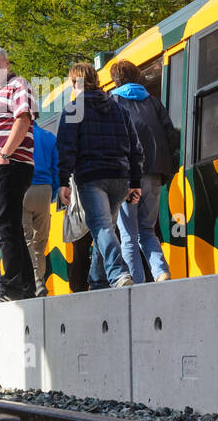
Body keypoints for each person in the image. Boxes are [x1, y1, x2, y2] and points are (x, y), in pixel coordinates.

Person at [56, 62, 143, 290]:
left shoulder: (74, 109)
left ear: (76, 83)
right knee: (103, 231)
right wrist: (135, 182)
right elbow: (136, 148)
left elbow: (66, 148)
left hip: (92, 177)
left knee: (102, 227)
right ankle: (97, 281)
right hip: (120, 179)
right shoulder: (119, 109)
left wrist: (63, 182)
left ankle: (118, 274)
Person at [0, 46, 38, 303]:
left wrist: (4, 154)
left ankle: (10, 287)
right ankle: (25, 286)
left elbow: (23, 119)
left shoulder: (18, 85)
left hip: (9, 163)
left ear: (7, 64)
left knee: (5, 226)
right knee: (9, 225)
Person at [108, 59, 179, 284]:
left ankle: (136, 287)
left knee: (129, 235)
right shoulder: (153, 102)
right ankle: (161, 272)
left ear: (115, 79)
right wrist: (170, 169)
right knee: (147, 230)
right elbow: (172, 136)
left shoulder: (112, 102)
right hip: (155, 173)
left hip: (128, 176)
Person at [22, 122, 58, 297]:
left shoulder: (16, 134)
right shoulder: (48, 136)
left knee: (26, 241)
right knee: (40, 242)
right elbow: (56, 167)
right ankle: (40, 283)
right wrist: (53, 191)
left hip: (23, 188)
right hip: (44, 189)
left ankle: (35, 283)